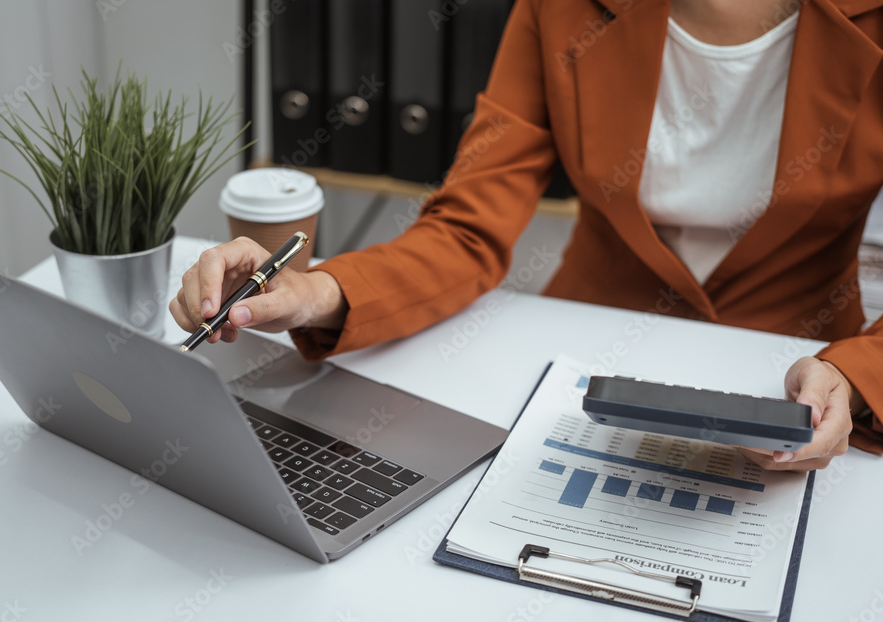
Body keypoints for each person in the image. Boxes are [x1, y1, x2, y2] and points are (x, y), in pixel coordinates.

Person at [171, 0, 883, 472]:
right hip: (585, 361)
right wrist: (318, 287)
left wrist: (853, 375)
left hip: (797, 377)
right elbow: (468, 227)